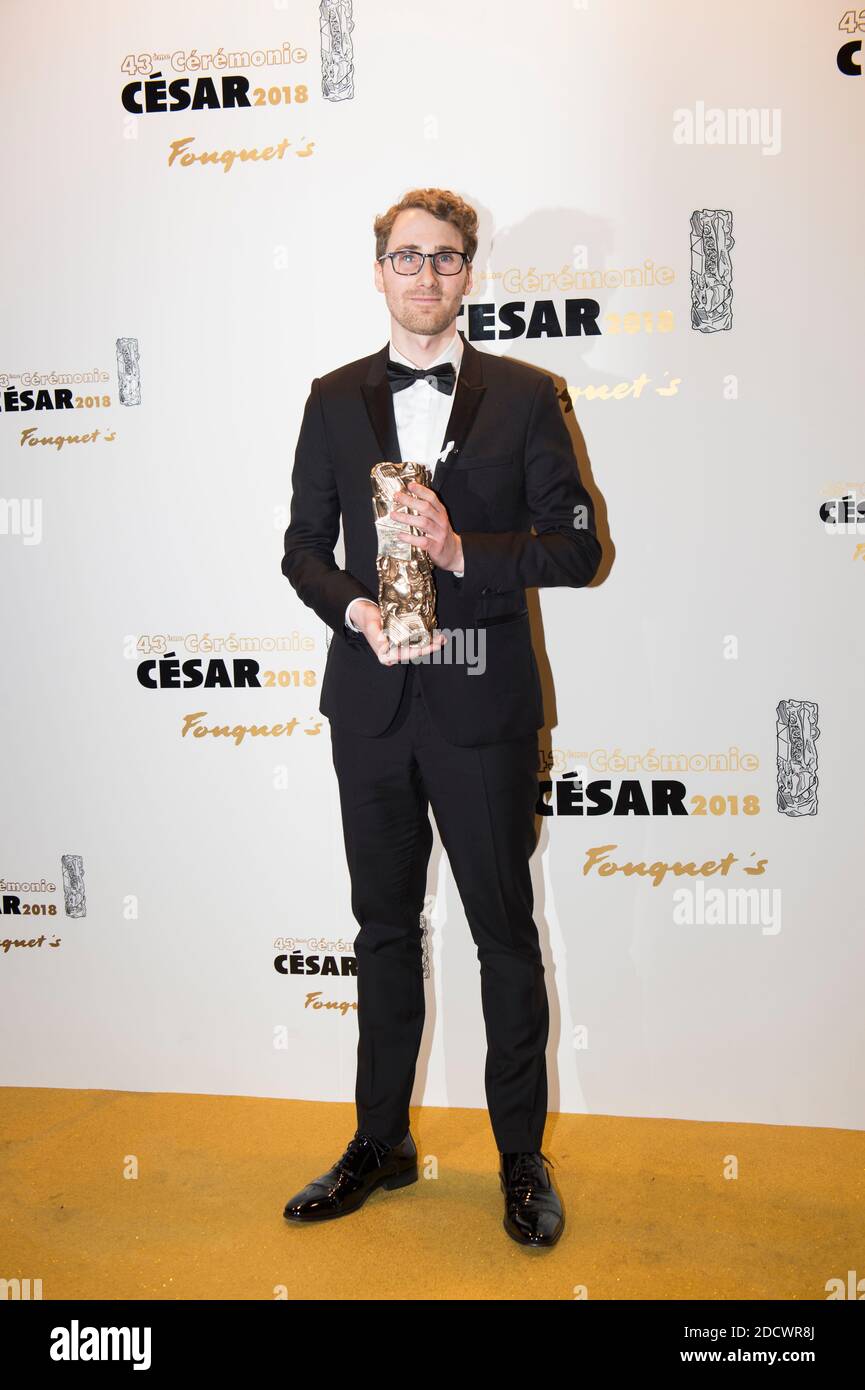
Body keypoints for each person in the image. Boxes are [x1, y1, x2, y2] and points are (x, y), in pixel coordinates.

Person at [280, 188, 601, 1247]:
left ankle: (519, 1160)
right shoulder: (330, 399)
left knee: (503, 938)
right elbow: (303, 552)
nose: (426, 276)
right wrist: (356, 606)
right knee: (381, 933)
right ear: (378, 270)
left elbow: (575, 547)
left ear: (470, 272)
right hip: (370, 708)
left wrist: (467, 552)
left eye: (446, 258)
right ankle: (382, 1142)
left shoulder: (525, 393)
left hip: (483, 709)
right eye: (406, 257)